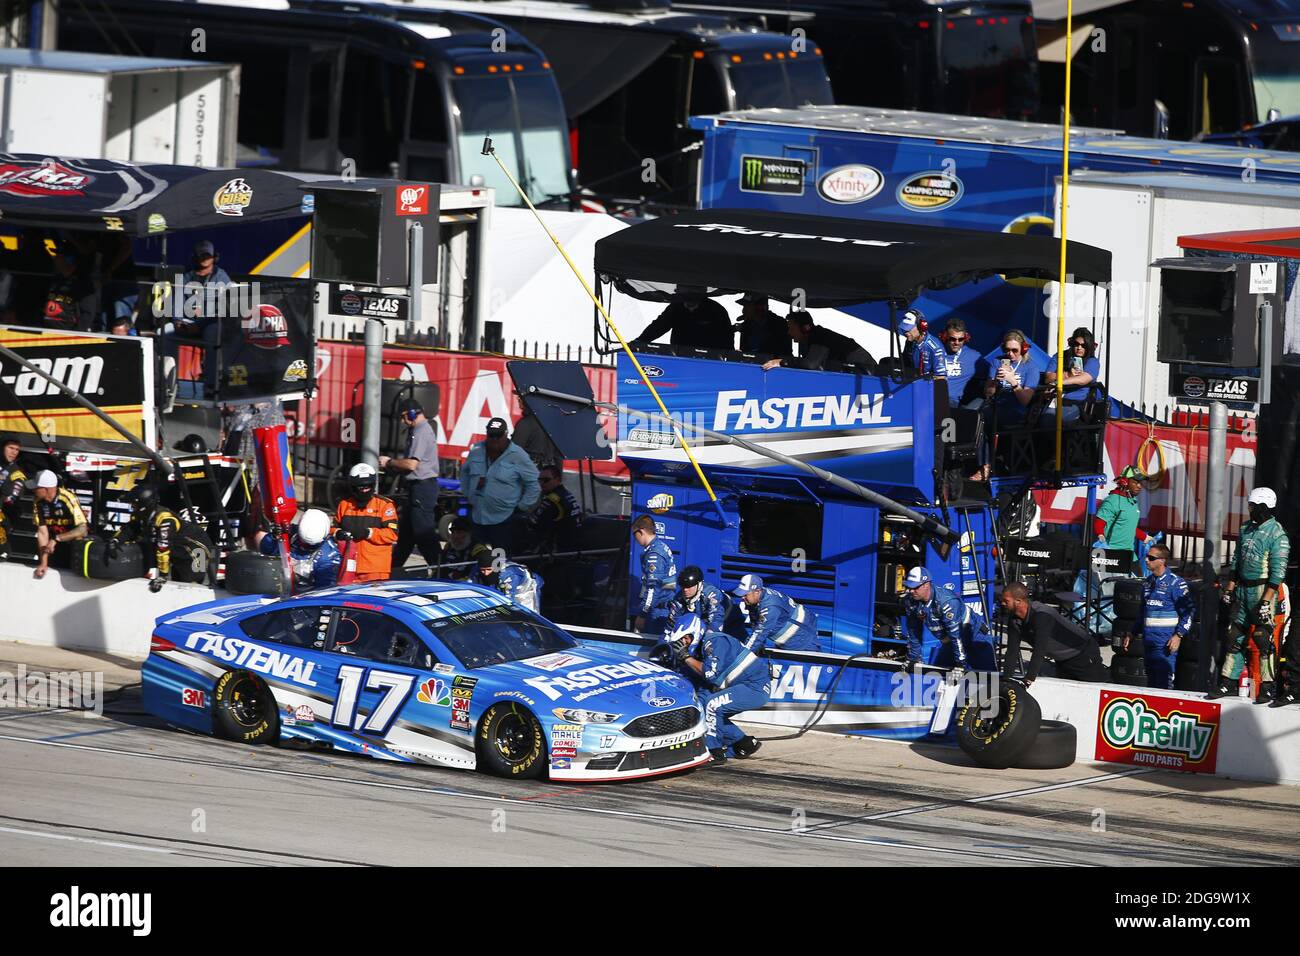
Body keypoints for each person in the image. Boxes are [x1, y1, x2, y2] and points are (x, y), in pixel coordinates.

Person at [1209, 487, 1292, 699]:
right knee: (1234, 636)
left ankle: (1267, 686)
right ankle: (1228, 682)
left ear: (1263, 507)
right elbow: (1236, 560)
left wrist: (1266, 601)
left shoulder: (1277, 534)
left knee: (1263, 638)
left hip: (1262, 590)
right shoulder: (1245, 528)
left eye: (1252, 506)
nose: (1249, 509)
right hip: (1242, 590)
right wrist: (1230, 588)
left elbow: (1278, 572)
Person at [665, 613, 768, 765]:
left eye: (686, 638)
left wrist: (686, 657)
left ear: (696, 632)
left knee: (712, 704)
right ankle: (743, 743)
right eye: (681, 641)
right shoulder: (701, 647)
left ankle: (713, 751)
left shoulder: (714, 641)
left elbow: (710, 674)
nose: (684, 644)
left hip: (754, 686)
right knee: (702, 703)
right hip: (742, 684)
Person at [1118, 544, 1195, 690]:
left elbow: (1189, 611)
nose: (1146, 560)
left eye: (1151, 558)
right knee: (1151, 685)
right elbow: (1142, 612)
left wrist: (1179, 635)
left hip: (1165, 644)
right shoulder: (1147, 583)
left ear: (1162, 560)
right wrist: (1132, 633)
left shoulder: (1176, 583)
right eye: (1146, 557)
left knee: (1164, 686)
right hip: (1148, 643)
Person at [1000, 582, 1109, 683]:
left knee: (1099, 688)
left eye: (1006, 601)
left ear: (1018, 601)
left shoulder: (1042, 615)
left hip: (1083, 651)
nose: (1002, 603)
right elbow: (1012, 651)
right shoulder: (1014, 620)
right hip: (1062, 659)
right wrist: (1006, 680)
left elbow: (1039, 650)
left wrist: (1028, 680)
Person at [459, 416, 540, 553]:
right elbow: (465, 472)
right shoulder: (477, 450)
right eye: (491, 435)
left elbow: (533, 484)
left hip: (503, 520)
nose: (495, 439)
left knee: (501, 563)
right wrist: (468, 495)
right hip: (477, 516)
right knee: (476, 559)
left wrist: (521, 507)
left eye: (498, 435)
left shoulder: (518, 455)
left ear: (506, 434)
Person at [379, 399, 441, 569]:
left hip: (422, 488)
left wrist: (389, 462)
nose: (402, 421)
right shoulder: (419, 430)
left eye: (403, 417)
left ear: (412, 414)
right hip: (417, 488)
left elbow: (412, 464)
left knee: (424, 534)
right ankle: (391, 570)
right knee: (406, 536)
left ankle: (441, 571)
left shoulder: (421, 432)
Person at [899, 566, 995, 671]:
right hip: (950, 640)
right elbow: (913, 630)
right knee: (938, 673)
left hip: (975, 636)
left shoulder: (946, 601)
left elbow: (956, 636)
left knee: (988, 679)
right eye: (909, 587)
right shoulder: (910, 601)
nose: (911, 591)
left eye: (915, 587)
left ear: (926, 584)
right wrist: (913, 658)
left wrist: (960, 664)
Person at [333, 462, 399, 582]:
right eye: (361, 487)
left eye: (367, 487)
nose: (364, 490)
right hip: (349, 566)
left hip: (375, 570)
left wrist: (368, 533)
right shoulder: (344, 505)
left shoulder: (384, 505)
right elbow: (332, 528)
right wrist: (338, 533)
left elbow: (392, 534)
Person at [110, 485, 183, 592]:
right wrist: (115, 540)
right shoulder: (142, 515)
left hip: (197, 550)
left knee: (193, 582)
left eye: (134, 503)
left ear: (143, 503)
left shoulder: (165, 519)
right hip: (175, 552)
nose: (132, 506)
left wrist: (163, 576)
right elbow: (129, 530)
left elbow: (163, 548)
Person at [763, 312, 878, 373]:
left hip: (865, 372)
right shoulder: (812, 338)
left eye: (792, 328)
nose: (789, 333)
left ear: (805, 329)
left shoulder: (819, 336)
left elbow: (811, 364)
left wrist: (782, 362)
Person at [257, 508, 341, 592]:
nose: (305, 547)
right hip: (275, 587)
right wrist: (273, 537)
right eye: (303, 542)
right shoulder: (288, 533)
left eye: (310, 546)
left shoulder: (329, 556)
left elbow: (324, 591)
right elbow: (266, 550)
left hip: (303, 599)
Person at [733, 573, 819, 651]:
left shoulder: (771, 606)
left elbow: (759, 634)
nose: (742, 598)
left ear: (757, 591)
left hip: (803, 640)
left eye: (745, 594)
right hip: (790, 640)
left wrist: (742, 656)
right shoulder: (754, 600)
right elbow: (756, 626)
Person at [630, 288, 734, 351]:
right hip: (680, 357)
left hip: (709, 361)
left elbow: (727, 338)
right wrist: (640, 341)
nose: (688, 299)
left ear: (702, 294)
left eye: (692, 296)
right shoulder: (676, 307)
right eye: (684, 296)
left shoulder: (717, 310)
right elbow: (659, 326)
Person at [31, 470, 88, 579]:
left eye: (36, 487)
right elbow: (42, 532)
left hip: (74, 548)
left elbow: (82, 529)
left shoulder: (68, 499)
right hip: (53, 548)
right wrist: (44, 563)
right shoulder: (37, 501)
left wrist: (57, 539)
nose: (33, 490)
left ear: (46, 489)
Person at [981, 329, 1042, 427]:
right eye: (1007, 349)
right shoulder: (997, 362)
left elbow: (1025, 400)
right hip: (996, 405)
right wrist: (995, 381)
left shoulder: (1031, 367)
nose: (1010, 353)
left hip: (1017, 409)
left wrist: (1013, 381)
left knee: (989, 417)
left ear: (1023, 349)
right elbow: (988, 393)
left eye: (1014, 350)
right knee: (978, 415)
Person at [1041, 326, 1101, 423]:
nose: (1079, 347)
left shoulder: (1092, 362)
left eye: (1084, 345)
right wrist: (1067, 375)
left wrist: (1058, 382)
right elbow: (1048, 377)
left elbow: (1083, 379)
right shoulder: (1060, 356)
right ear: (1071, 343)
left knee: (1049, 419)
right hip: (1052, 399)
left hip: (1075, 403)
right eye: (1076, 344)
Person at [631, 514, 677, 634]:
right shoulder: (662, 547)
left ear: (640, 532)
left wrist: (642, 614)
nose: (634, 538)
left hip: (658, 612)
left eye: (634, 534)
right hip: (665, 606)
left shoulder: (654, 555)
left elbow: (653, 588)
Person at [1094, 466, 1151, 557]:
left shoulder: (1133, 501)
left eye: (1141, 483)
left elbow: (1127, 526)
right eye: (1136, 482)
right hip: (1112, 553)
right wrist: (1100, 535)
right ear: (1125, 482)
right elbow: (1100, 521)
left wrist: (1145, 537)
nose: (1139, 486)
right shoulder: (1112, 500)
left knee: (1139, 572)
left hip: (1129, 552)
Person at [526, 463, 583, 550]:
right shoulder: (566, 494)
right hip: (573, 544)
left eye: (546, 480)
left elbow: (534, 523)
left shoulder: (552, 500)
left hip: (558, 550)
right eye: (540, 480)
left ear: (558, 479)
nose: (541, 483)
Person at [665, 565, 731, 636]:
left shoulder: (711, 595)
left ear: (699, 584)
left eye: (689, 586)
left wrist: (707, 637)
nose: (685, 590)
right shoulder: (678, 598)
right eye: (683, 586)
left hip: (729, 618)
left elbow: (716, 620)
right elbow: (672, 623)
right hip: (704, 619)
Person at [43, 249, 97, 331]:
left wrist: (76, 335)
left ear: (69, 261)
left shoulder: (83, 283)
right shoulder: (55, 279)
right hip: (46, 330)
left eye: (59, 256)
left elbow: (88, 314)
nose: (55, 258)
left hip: (67, 332)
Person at [475, 549, 544, 613]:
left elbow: (509, 599)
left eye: (489, 569)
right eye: (483, 570)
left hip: (528, 588)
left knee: (529, 615)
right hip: (510, 589)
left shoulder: (509, 574)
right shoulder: (480, 573)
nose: (486, 573)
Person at [937, 318, 982, 406]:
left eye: (960, 339)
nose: (956, 343)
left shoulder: (974, 357)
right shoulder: (935, 350)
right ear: (945, 337)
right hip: (930, 398)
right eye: (953, 339)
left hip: (952, 404)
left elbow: (993, 370)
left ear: (965, 338)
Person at [735, 293, 790, 360]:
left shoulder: (780, 325)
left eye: (747, 306)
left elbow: (786, 355)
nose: (743, 311)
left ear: (760, 307)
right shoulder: (746, 325)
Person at [0, 436, 29, 557]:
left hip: (4, 516)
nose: (14, 452)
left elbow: (11, 498)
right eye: (11, 448)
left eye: (17, 449)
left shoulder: (17, 473)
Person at [899, 308, 946, 380]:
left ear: (921, 327)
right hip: (912, 381)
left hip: (926, 385)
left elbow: (940, 377)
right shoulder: (910, 341)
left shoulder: (935, 348)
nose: (905, 332)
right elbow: (905, 363)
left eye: (908, 328)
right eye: (904, 329)